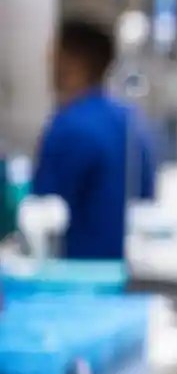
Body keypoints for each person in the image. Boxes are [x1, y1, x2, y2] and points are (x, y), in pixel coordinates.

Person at [31, 17, 156, 260]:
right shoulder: (133, 124)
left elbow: (41, 215)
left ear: (70, 62)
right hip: (125, 275)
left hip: (77, 277)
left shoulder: (69, 127)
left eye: (53, 56)